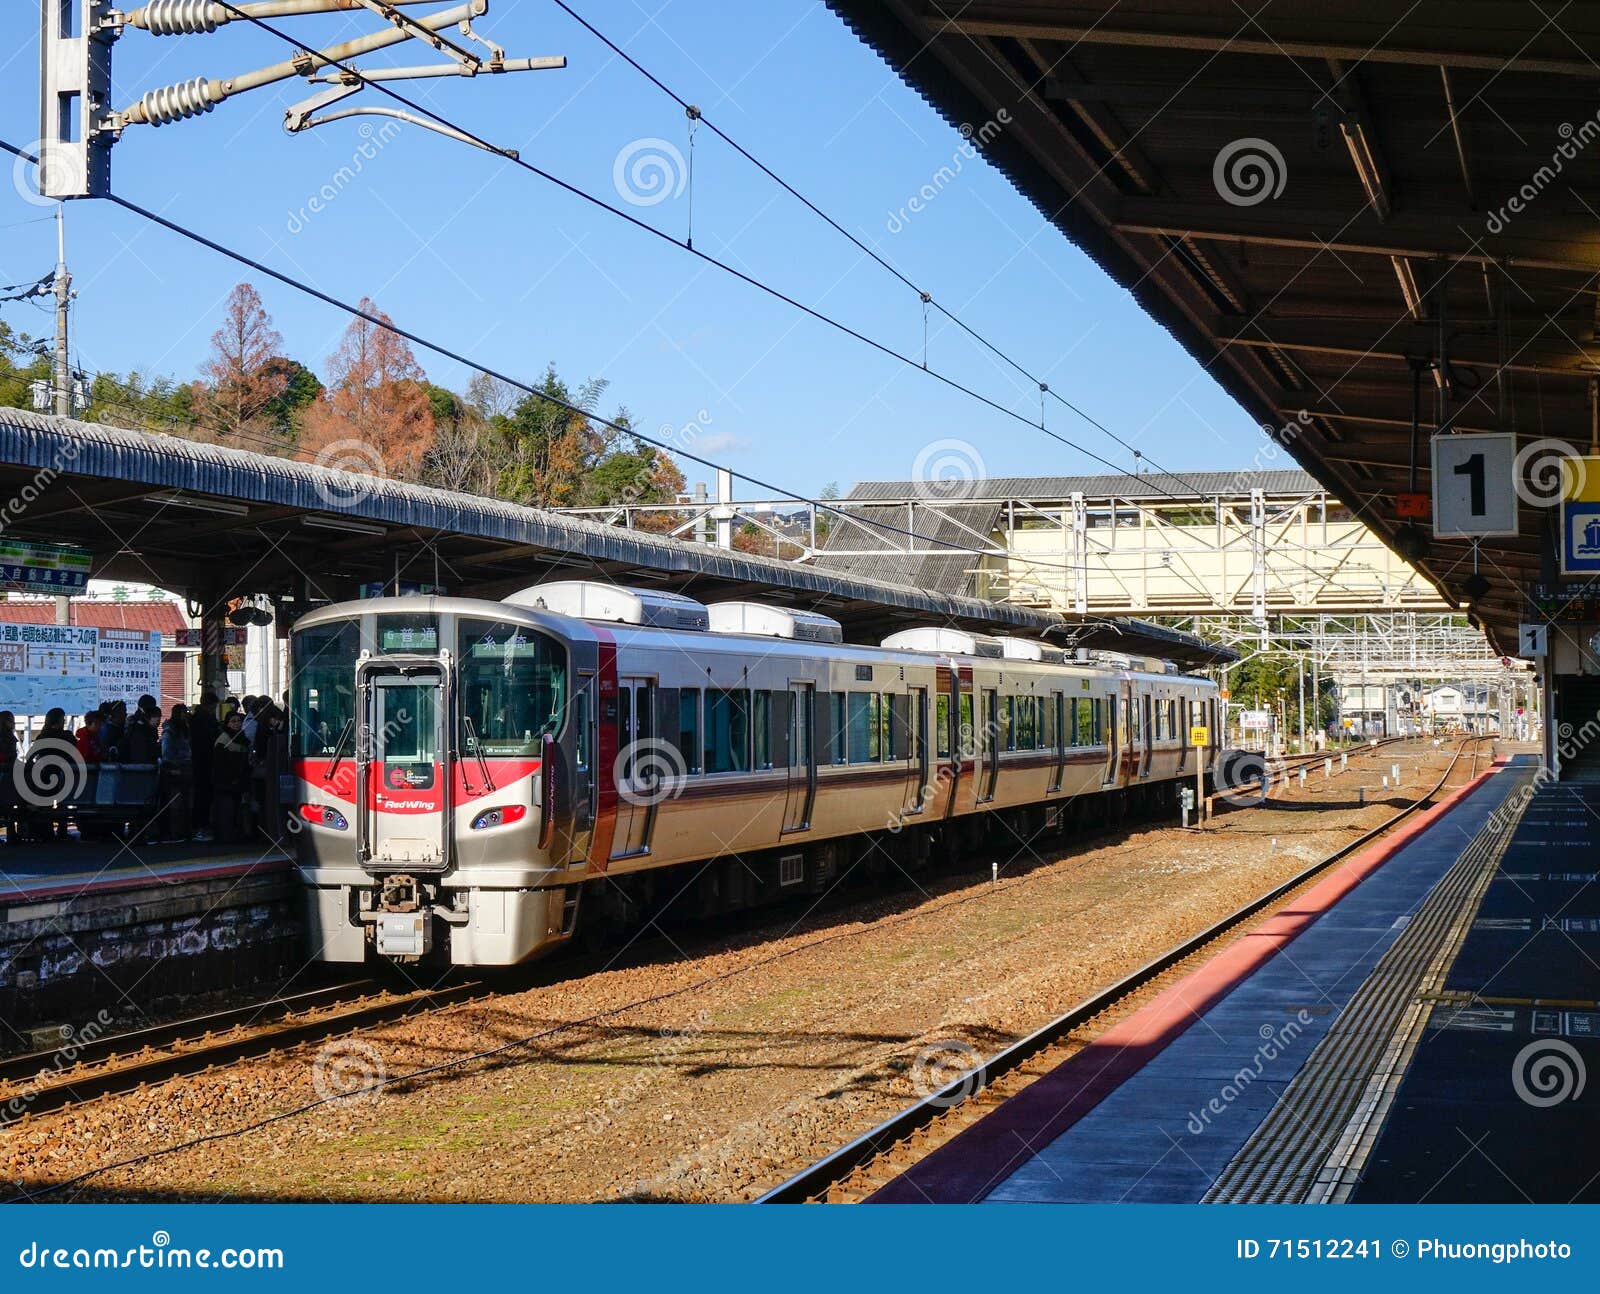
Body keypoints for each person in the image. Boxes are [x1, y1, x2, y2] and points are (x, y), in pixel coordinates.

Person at [210, 707, 253, 843]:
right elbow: (220, 764)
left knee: (236, 808)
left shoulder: (242, 738)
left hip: (239, 781)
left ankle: (237, 833)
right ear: (227, 723)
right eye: (233, 721)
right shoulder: (223, 740)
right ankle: (227, 835)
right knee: (227, 810)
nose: (236, 724)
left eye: (239, 721)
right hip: (227, 782)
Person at [158, 704, 193, 842]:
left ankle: (181, 830)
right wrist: (172, 766)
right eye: (183, 713)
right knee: (176, 803)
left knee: (184, 802)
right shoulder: (170, 732)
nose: (186, 715)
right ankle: (175, 831)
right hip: (176, 769)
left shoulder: (183, 729)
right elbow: (166, 753)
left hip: (184, 768)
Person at [190, 691, 219, 841]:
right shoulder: (208, 720)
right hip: (206, 761)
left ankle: (198, 826)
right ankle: (202, 826)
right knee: (205, 795)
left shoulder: (194, 719)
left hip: (197, 761)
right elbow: (212, 739)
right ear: (210, 706)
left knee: (199, 795)